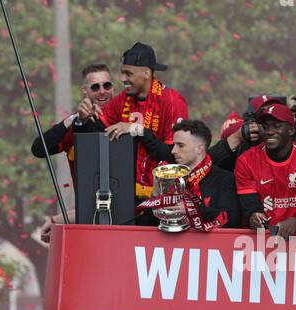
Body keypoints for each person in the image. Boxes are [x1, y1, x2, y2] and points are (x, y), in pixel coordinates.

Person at [31, 41, 188, 202]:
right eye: (95, 87)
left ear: (146, 73)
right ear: (84, 91)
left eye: (107, 85)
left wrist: (138, 130)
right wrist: (77, 119)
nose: (102, 92)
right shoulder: (96, 113)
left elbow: (177, 156)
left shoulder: (171, 101)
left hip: (157, 199)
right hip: (110, 203)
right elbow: (39, 148)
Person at [234, 101, 296, 235]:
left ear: (291, 130)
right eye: (265, 127)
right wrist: (254, 216)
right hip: (258, 240)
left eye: (277, 126)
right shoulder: (246, 161)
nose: (269, 132)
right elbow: (250, 206)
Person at [164, 119, 240, 228]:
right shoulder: (171, 178)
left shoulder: (224, 179)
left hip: (211, 244)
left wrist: (191, 210)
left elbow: (232, 220)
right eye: (174, 145)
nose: (173, 151)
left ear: (199, 149)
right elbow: (148, 224)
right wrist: (156, 195)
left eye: (180, 145)